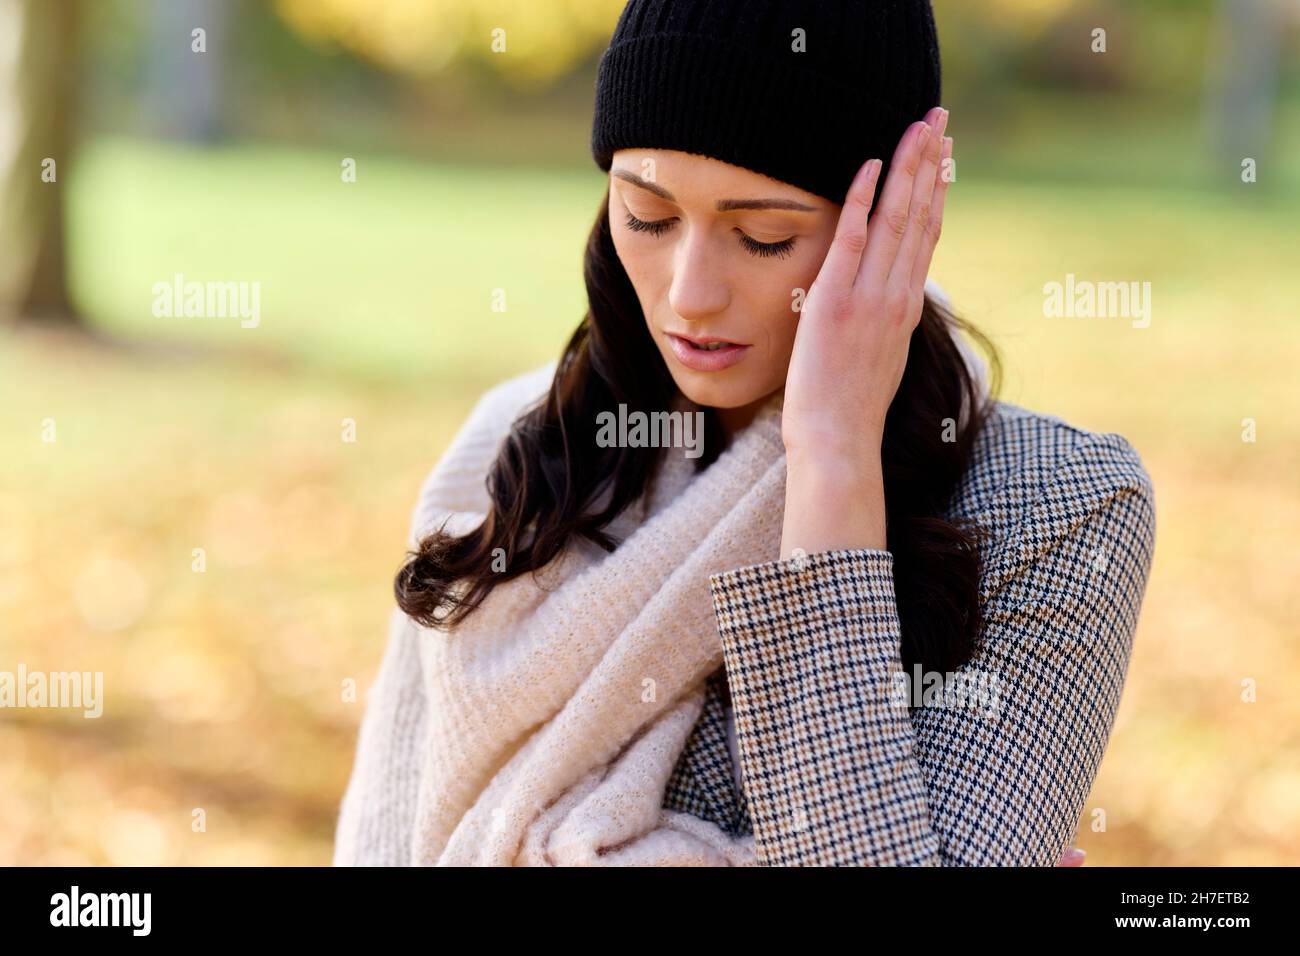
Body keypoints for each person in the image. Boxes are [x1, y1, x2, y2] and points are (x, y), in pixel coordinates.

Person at [332, 0, 1155, 867]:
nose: (690, 293)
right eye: (647, 215)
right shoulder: (522, 446)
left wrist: (833, 464)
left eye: (762, 235)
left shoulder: (1059, 508)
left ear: (891, 228)